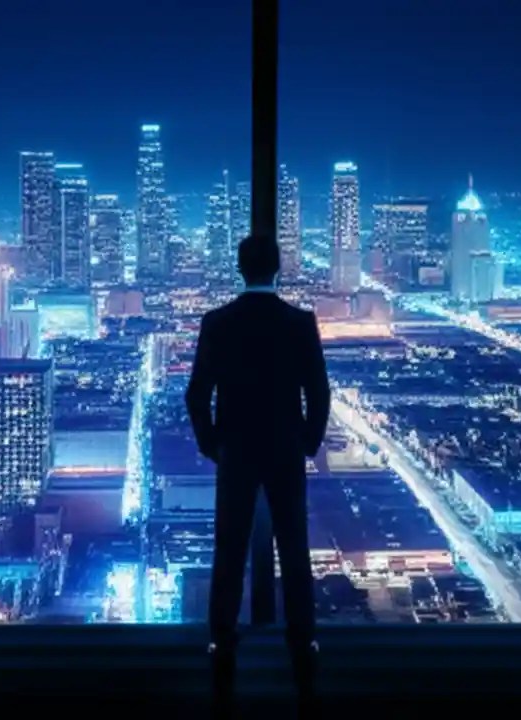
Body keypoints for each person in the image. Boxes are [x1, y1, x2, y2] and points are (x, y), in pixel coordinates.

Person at [184, 234, 330, 703]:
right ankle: (302, 643)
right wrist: (306, 442)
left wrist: (214, 444)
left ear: (239, 268)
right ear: (278, 268)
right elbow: (320, 393)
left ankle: (221, 642)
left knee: (229, 547)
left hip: (238, 450)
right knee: (294, 546)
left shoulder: (218, 323)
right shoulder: (300, 323)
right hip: (285, 449)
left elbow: (196, 394)